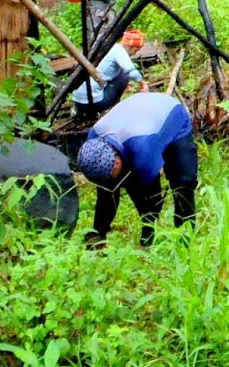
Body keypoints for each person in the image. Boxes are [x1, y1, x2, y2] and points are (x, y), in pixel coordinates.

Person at [75, 91, 197, 249]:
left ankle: (184, 240)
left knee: (183, 182)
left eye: (112, 175)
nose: (113, 180)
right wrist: (98, 233)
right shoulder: (94, 139)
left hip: (171, 114)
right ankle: (98, 236)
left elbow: (153, 198)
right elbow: (107, 193)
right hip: (139, 113)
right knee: (110, 188)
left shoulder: (142, 151)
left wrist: (146, 238)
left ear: (117, 160)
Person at [69, 30, 148, 128]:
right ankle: (108, 110)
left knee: (118, 74)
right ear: (129, 46)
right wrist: (143, 83)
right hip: (93, 103)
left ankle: (80, 111)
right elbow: (131, 72)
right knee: (124, 75)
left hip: (78, 99)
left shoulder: (109, 47)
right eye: (135, 50)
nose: (135, 53)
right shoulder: (119, 52)